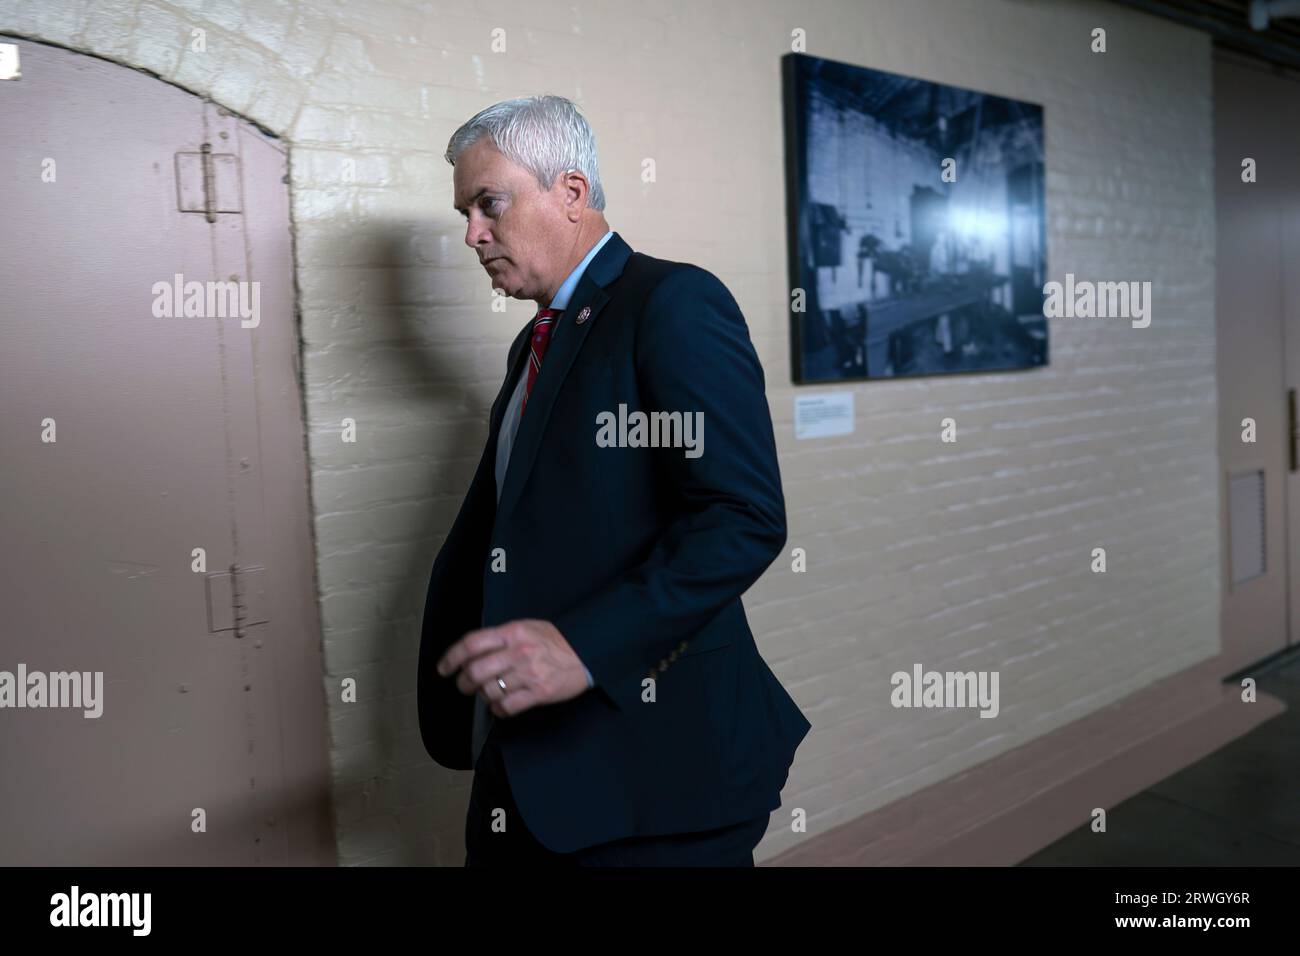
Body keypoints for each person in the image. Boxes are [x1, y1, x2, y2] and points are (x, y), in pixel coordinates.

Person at [417, 94, 811, 866]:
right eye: (465, 213)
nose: (472, 234)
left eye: (488, 203)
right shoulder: (535, 343)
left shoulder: (672, 303)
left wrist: (584, 647)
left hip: (655, 773)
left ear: (569, 192)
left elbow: (742, 516)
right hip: (531, 760)